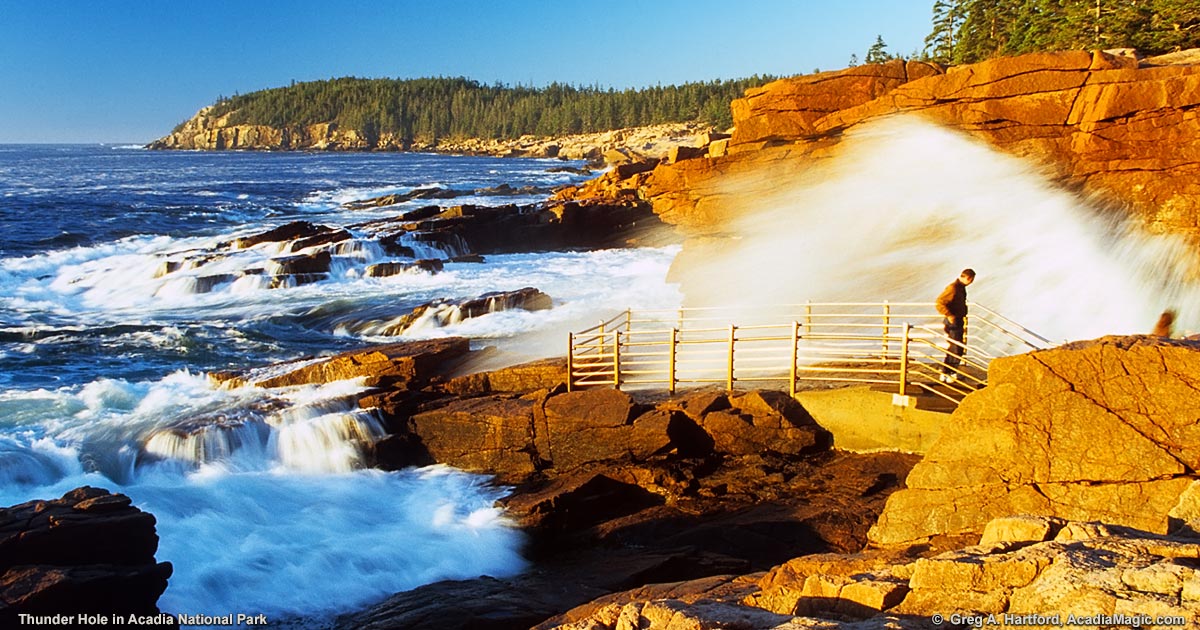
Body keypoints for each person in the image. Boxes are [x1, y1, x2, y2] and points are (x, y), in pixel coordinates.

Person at [935, 268, 976, 383]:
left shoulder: (960, 287)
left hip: (957, 319)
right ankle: (948, 372)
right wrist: (949, 315)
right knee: (956, 347)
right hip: (953, 321)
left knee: (955, 347)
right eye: (972, 280)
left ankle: (948, 372)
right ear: (968, 278)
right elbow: (940, 302)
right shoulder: (953, 288)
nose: (971, 282)